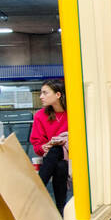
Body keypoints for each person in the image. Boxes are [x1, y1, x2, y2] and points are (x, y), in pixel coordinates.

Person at [30, 79, 70, 212]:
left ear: (58, 95)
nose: (41, 96)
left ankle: (37, 190)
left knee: (57, 149)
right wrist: (44, 147)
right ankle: (60, 211)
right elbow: (37, 146)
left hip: (73, 154)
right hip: (56, 159)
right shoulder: (40, 116)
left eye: (45, 93)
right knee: (60, 164)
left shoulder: (75, 112)